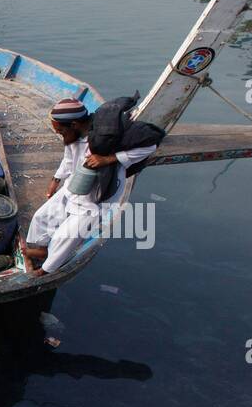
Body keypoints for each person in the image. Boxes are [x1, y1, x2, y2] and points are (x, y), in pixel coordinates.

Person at [19, 98, 160, 276]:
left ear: (74, 124)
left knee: (67, 235)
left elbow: (150, 147)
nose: (61, 134)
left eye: (61, 130)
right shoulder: (72, 136)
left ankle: (47, 269)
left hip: (97, 196)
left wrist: (109, 159)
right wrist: (56, 179)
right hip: (76, 185)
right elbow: (69, 159)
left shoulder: (107, 138)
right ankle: (42, 249)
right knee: (42, 216)